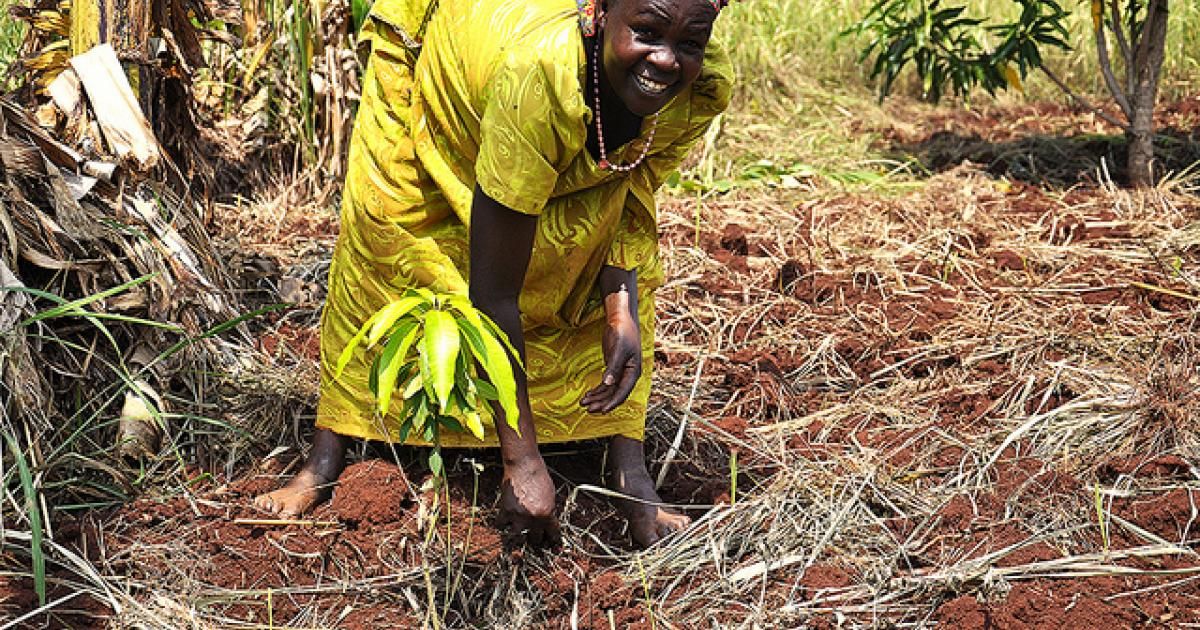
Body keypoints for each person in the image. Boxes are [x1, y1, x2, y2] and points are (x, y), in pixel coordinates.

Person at [255, 0, 732, 548]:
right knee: (389, 242)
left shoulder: (701, 85)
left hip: (523, 100)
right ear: (599, 13)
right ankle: (324, 459)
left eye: (689, 43)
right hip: (452, 72)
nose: (666, 60)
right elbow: (494, 289)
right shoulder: (541, 74)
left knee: (591, 247)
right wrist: (522, 461)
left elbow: (629, 192)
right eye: (646, 32)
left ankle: (631, 475)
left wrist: (619, 306)